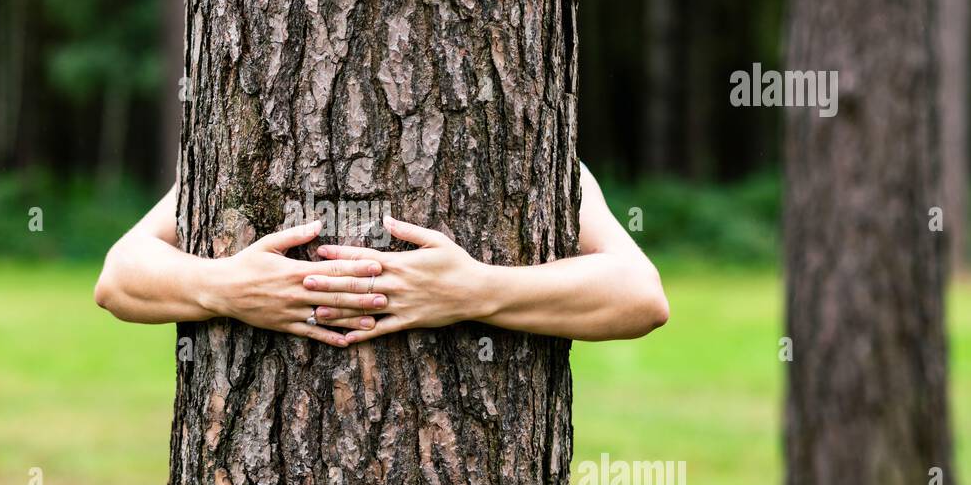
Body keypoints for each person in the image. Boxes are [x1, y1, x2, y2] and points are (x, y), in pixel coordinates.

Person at [94, 164, 668, 347]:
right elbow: (119, 277)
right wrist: (222, 287)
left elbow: (639, 296)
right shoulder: (241, 148)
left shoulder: (533, 151)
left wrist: (477, 291)